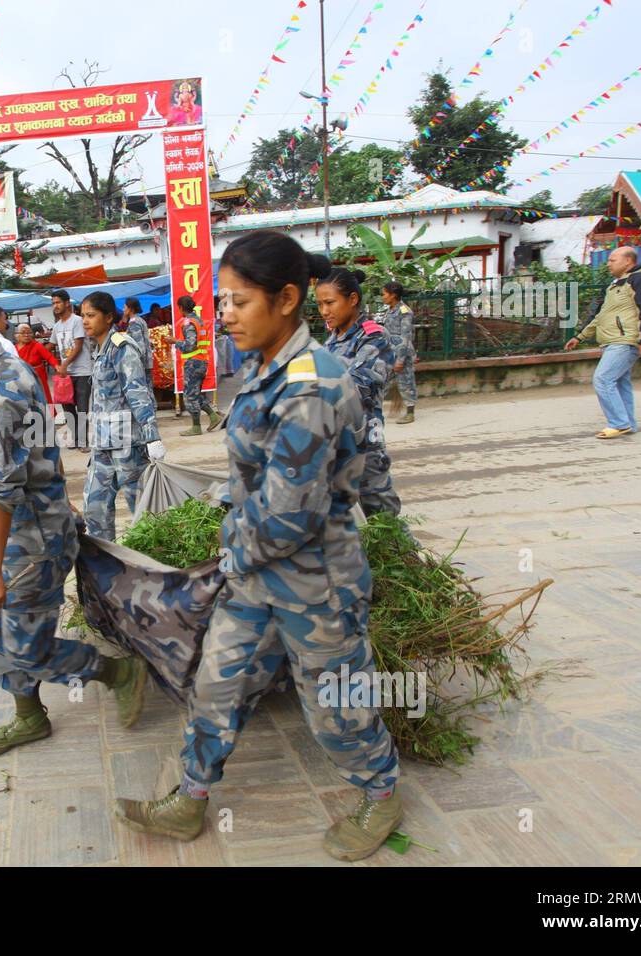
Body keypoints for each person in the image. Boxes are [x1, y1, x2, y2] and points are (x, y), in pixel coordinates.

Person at [113, 230, 401, 861]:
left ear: (288, 298)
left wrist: (226, 561)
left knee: (335, 708)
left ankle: (381, 794)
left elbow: (290, 515)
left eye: (239, 301)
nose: (224, 314)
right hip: (256, 574)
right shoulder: (267, 368)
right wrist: (226, 515)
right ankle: (189, 799)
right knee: (216, 683)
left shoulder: (312, 386)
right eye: (222, 301)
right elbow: (255, 476)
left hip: (314, 582)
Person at [0, 289, 148, 757]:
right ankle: (29, 716)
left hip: (30, 538)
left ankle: (118, 673)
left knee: (26, 647)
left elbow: (1, 488)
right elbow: (39, 444)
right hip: (22, 529)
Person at [80, 292, 166, 541]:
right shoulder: (99, 350)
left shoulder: (122, 348)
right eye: (83, 315)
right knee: (94, 508)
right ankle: (106, 565)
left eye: (91, 315)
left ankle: (155, 564)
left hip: (128, 445)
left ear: (108, 317)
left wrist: (152, 437)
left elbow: (138, 393)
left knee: (140, 508)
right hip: (103, 444)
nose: (85, 321)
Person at [320, 269, 401, 518]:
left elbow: (358, 383)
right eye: (320, 304)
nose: (324, 311)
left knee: (381, 514)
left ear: (352, 299)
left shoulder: (373, 336)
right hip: (333, 440)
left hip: (364, 443)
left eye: (330, 303)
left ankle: (407, 554)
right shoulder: (332, 339)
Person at [565, 246, 641, 438]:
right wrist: (579, 337)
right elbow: (601, 316)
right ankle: (628, 423)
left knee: (603, 379)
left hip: (624, 341)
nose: (608, 264)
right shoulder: (616, 284)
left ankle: (618, 423)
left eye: (612, 260)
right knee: (620, 383)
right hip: (613, 341)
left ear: (628, 261)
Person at [173, 295, 221, 435]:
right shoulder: (199, 321)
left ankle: (196, 426)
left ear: (181, 308)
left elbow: (190, 345)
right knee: (196, 393)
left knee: (189, 396)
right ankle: (213, 416)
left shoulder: (188, 323)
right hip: (201, 361)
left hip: (193, 362)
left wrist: (174, 341)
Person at [50, 289, 92, 451]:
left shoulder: (77, 321)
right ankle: (74, 438)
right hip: (65, 374)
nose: (55, 306)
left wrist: (64, 364)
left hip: (82, 371)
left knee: (82, 408)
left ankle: (83, 442)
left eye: (58, 302)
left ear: (67, 303)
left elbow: (78, 346)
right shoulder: (56, 326)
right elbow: (51, 346)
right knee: (67, 408)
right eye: (53, 303)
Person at [380, 282, 417, 424]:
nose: (382, 297)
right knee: (383, 381)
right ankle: (371, 408)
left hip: (402, 353)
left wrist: (400, 359)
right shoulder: (391, 310)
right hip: (389, 352)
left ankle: (410, 413)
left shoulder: (404, 311)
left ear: (393, 295)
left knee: (406, 382)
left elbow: (405, 337)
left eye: (384, 294)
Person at [15, 322, 60, 408]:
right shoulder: (14, 348)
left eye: (29, 333)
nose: (26, 335)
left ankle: (50, 417)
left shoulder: (36, 345)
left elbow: (49, 357)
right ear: (17, 335)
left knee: (45, 395)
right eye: (23, 333)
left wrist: (56, 366)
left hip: (38, 376)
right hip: (22, 377)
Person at [122, 297, 154, 384]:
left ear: (130, 309)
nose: (123, 309)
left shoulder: (134, 322)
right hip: (145, 362)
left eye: (125, 307)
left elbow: (139, 345)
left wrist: (138, 363)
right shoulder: (140, 320)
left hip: (140, 362)